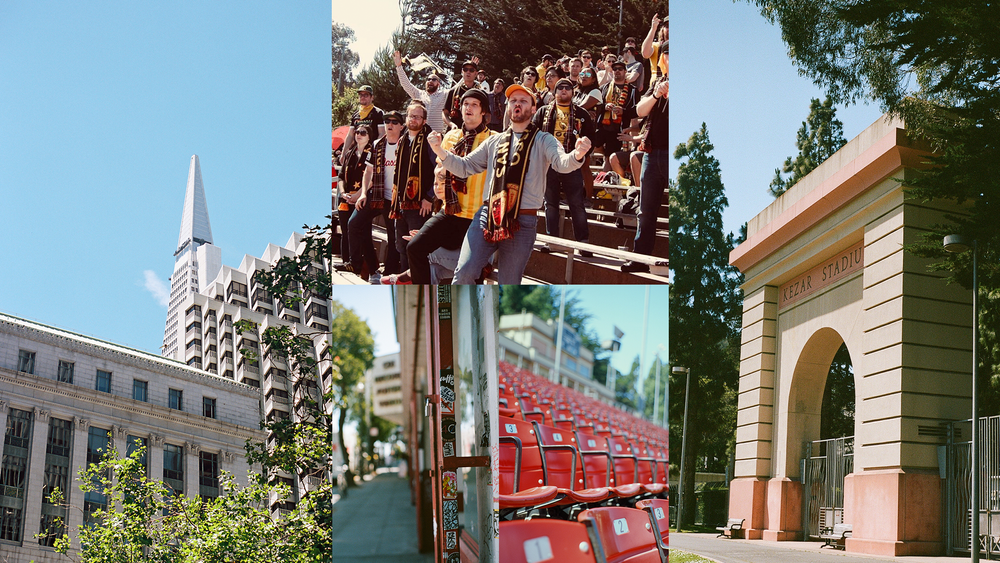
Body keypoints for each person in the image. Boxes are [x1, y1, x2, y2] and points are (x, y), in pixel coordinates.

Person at [427, 84, 592, 284]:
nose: (517, 104)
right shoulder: (495, 141)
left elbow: (562, 163)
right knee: (464, 273)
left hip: (522, 222)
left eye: (523, 101)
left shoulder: (543, 140)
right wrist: (439, 150)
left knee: (509, 284)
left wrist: (578, 154)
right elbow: (464, 167)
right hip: (487, 217)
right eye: (513, 101)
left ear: (533, 109)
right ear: (507, 107)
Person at [402, 89, 497, 284]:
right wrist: (443, 170)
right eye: (465, 104)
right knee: (414, 247)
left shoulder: (494, 139)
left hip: (477, 217)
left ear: (483, 112)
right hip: (451, 211)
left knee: (472, 273)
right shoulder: (450, 136)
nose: (468, 108)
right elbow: (439, 172)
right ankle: (426, 301)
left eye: (474, 105)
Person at [533, 78, 596, 255]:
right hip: (548, 163)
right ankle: (552, 242)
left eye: (567, 87)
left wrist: (582, 152)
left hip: (572, 163)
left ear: (572, 91)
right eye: (560, 87)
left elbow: (591, 137)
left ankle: (583, 244)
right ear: (554, 92)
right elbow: (533, 135)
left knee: (577, 204)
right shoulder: (543, 112)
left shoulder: (582, 114)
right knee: (551, 204)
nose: (563, 90)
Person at [350, 110, 404, 282]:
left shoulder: (407, 145)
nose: (390, 125)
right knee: (354, 224)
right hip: (377, 194)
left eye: (395, 122)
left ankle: (387, 276)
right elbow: (368, 171)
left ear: (401, 126)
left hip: (396, 200)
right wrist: (363, 193)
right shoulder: (377, 144)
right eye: (387, 121)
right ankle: (363, 266)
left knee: (394, 239)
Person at [622, 76, 668, 273]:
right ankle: (640, 258)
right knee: (646, 211)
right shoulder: (659, 81)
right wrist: (657, 94)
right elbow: (640, 111)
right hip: (651, 152)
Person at [389, 102, 437, 273]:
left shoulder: (430, 139)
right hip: (400, 203)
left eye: (418, 117)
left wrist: (429, 197)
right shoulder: (402, 140)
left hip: (420, 205)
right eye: (411, 116)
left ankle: (417, 285)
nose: (414, 119)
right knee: (401, 246)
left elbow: (439, 170)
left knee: (415, 247)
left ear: (424, 121)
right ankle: (404, 280)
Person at [335, 123, 373, 267]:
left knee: (362, 232)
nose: (359, 134)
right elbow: (340, 177)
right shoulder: (350, 151)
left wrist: (358, 195)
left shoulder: (371, 153)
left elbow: (371, 178)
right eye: (357, 132)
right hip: (346, 197)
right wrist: (343, 193)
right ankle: (346, 262)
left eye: (363, 132)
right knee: (345, 231)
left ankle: (364, 265)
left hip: (361, 197)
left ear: (369, 137)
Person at [595, 58, 638, 168]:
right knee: (593, 144)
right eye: (614, 69)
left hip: (619, 128)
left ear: (625, 72)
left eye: (620, 69)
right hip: (603, 126)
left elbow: (637, 110)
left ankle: (606, 179)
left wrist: (623, 111)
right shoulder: (604, 87)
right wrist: (605, 106)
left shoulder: (633, 90)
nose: (617, 71)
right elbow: (596, 105)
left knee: (610, 157)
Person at [393, 51, 449, 133]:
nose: (430, 81)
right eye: (428, 79)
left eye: (434, 79)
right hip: (419, 135)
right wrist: (399, 66)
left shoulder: (444, 94)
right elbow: (406, 84)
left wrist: (468, 75)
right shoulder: (418, 94)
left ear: (438, 84)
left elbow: (457, 87)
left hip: (436, 136)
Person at [340, 85, 385, 167]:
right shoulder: (355, 114)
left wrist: (375, 151)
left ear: (372, 98)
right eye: (361, 95)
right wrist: (343, 153)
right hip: (356, 152)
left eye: (366, 95)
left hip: (371, 153)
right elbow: (350, 135)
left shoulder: (378, 113)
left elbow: (382, 134)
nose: (363, 97)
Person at [443, 59, 482, 130]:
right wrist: (451, 124)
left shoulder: (480, 93)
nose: (468, 72)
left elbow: (487, 115)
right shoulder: (453, 91)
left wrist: (480, 126)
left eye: (471, 70)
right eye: (465, 69)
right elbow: (445, 113)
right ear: (462, 72)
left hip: (474, 130)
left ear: (476, 74)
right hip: (455, 130)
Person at [641, 13, 668, 89]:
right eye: (667, 26)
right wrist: (653, 28)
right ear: (663, 29)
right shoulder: (656, 46)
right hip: (657, 87)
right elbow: (645, 53)